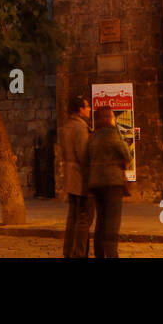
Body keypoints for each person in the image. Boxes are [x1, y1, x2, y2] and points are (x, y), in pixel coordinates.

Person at [88, 106, 131, 258]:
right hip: (112, 183)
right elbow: (126, 154)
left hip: (96, 183)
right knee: (112, 221)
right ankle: (112, 253)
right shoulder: (112, 134)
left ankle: (99, 253)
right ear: (109, 118)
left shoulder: (93, 136)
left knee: (101, 219)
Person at [60, 94, 94, 257]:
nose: (89, 109)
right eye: (87, 106)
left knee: (73, 217)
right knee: (83, 218)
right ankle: (79, 253)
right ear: (80, 109)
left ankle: (69, 251)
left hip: (70, 177)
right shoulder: (80, 128)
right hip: (80, 178)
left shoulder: (66, 126)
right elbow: (83, 155)